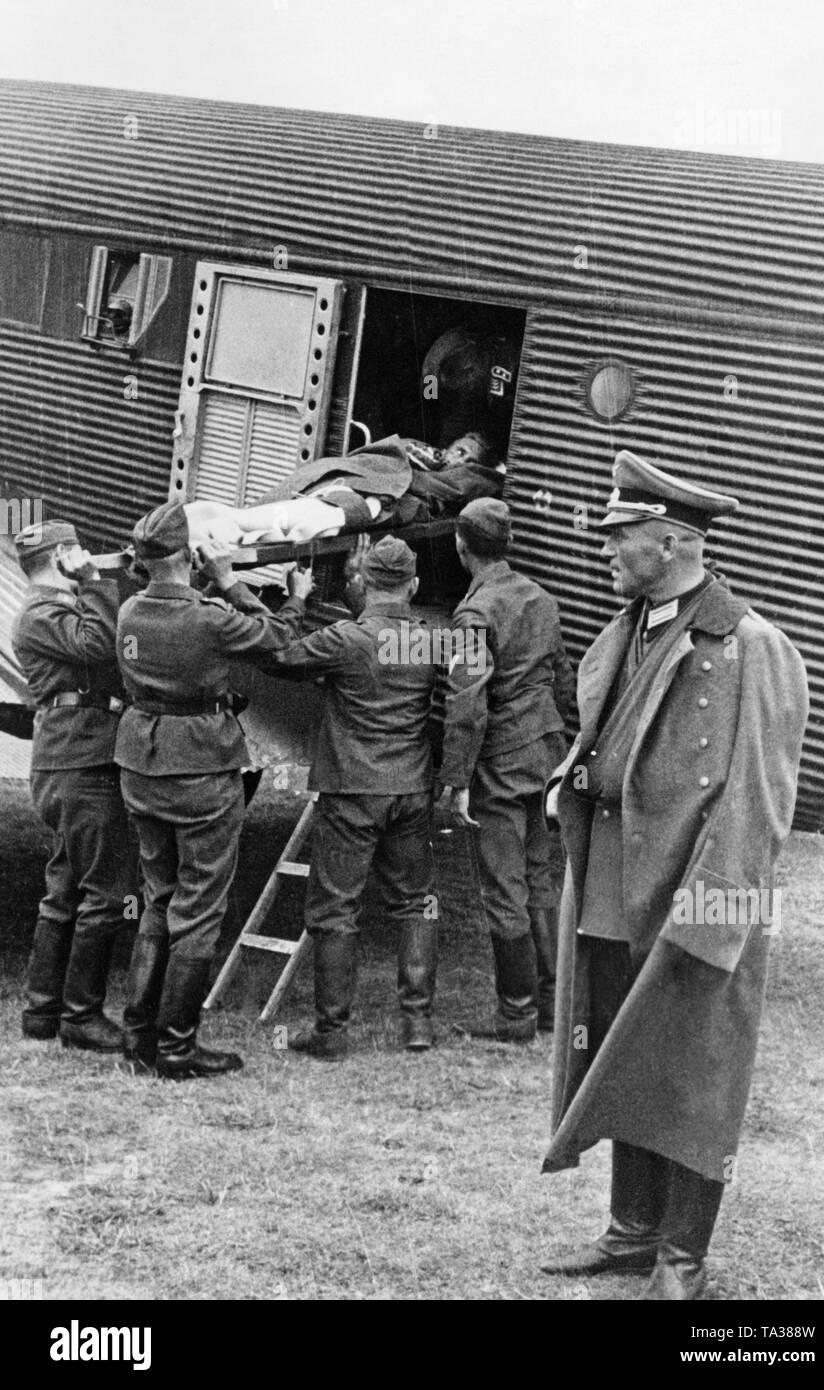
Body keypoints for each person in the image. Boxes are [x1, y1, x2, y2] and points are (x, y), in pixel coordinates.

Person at [540, 450, 809, 1300]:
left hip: (693, 895)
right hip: (618, 880)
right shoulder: (632, 625)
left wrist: (713, 919)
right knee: (622, 1048)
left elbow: (759, 802)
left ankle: (681, 1258)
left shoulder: (751, 645)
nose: (604, 550)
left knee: (693, 1068)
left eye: (619, 537)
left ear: (670, 542)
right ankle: (630, 1234)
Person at [114, 501, 304, 1080]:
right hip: (199, 765)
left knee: (160, 897)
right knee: (199, 907)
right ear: (189, 555)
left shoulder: (128, 612)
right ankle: (176, 1049)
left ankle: (137, 1037)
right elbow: (281, 642)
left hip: (141, 762)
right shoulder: (209, 616)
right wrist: (235, 583)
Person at [261, 535, 438, 1059]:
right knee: (416, 902)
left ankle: (332, 1032)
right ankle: (418, 1024)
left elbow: (278, 654)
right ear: (415, 585)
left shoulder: (344, 639)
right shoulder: (428, 641)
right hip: (410, 786)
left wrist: (294, 600)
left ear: (362, 582)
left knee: (336, 908)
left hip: (351, 788)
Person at [437, 499, 575, 1040]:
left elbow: (466, 703)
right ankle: (550, 1009)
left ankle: (516, 1016)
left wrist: (456, 779)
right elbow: (562, 676)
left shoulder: (475, 613)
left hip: (501, 762)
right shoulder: (540, 598)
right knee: (540, 879)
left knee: (503, 887)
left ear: (460, 546)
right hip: (544, 752)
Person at [12, 519, 134, 1052]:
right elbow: (101, 644)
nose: (87, 555)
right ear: (63, 555)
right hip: (80, 763)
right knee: (106, 894)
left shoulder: (52, 609)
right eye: (78, 550)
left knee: (64, 890)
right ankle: (81, 1016)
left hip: (74, 759)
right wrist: (97, 583)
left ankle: (42, 1013)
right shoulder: (42, 613)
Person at [181, 431, 504, 548]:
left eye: (467, 458)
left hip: (367, 497)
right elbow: (395, 453)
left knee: (296, 522)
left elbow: (478, 481)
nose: (455, 457)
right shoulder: (421, 453)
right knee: (292, 514)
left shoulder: (465, 479)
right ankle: (220, 522)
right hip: (357, 485)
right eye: (457, 449)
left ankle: (221, 523)